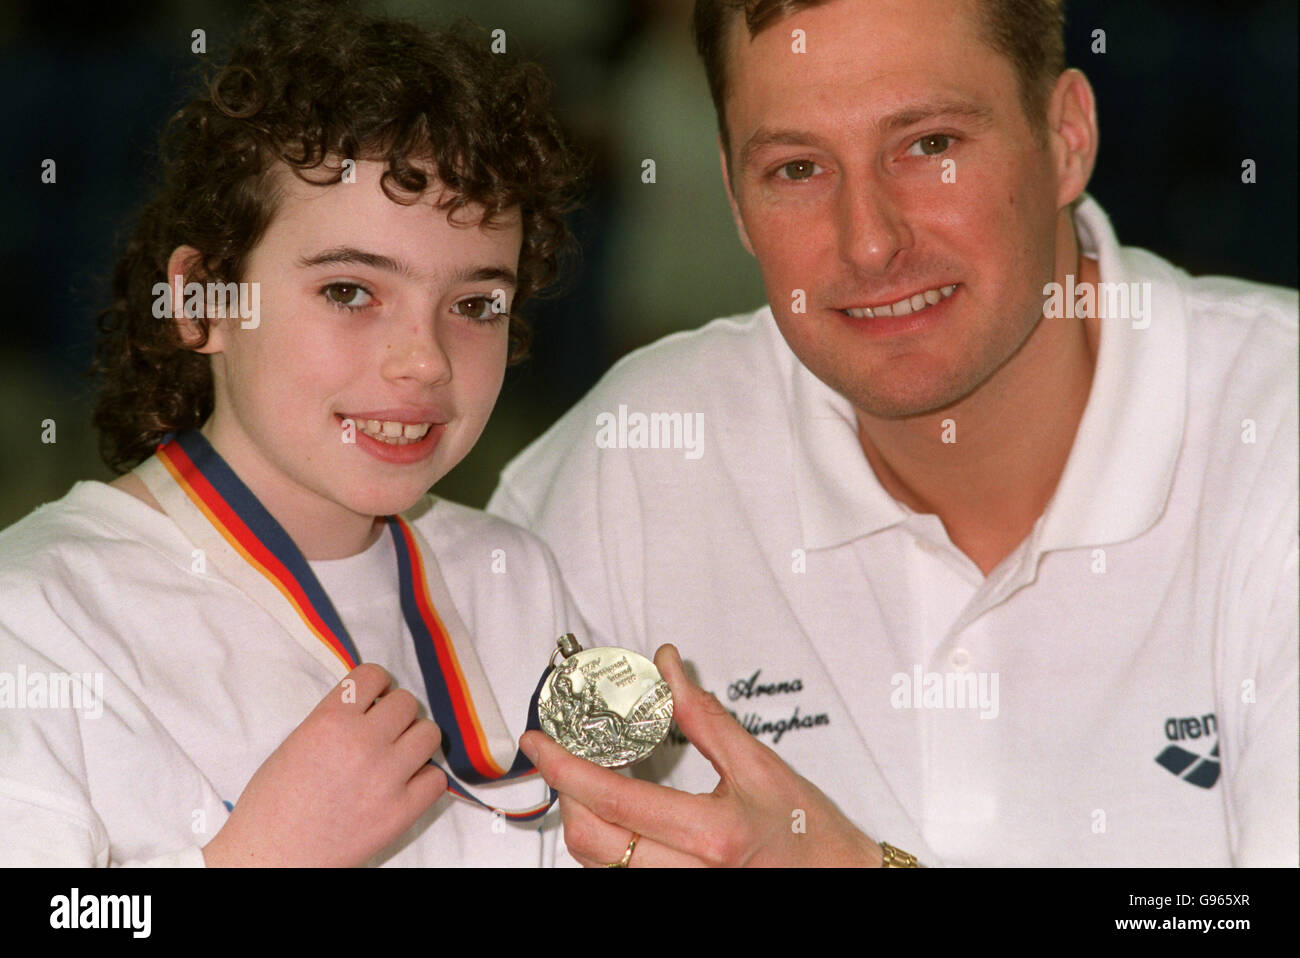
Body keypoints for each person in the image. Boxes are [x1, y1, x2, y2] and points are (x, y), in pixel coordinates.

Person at [494, 0, 1298, 867]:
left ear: (1066, 138)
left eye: (930, 145)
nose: (870, 243)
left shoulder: (1274, 423)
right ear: (734, 197)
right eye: (798, 168)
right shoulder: (635, 464)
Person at [0, 0, 586, 866]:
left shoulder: (511, 579)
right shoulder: (38, 618)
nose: (424, 361)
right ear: (203, 301)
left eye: (474, 305)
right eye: (350, 292)